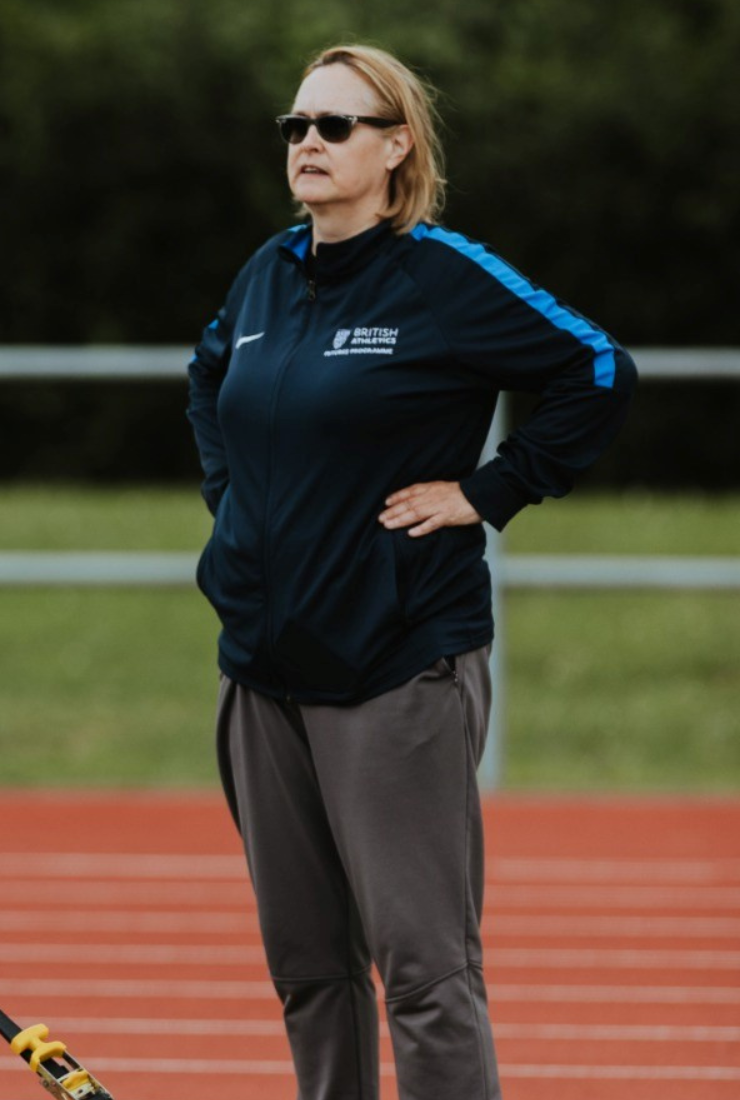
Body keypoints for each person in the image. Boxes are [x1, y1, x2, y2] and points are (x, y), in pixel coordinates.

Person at [186, 44, 634, 1100]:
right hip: (260, 665)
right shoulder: (265, 270)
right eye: (296, 126)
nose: (307, 143)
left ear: (393, 147)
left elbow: (596, 367)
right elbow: (207, 377)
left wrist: (489, 489)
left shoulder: (440, 275)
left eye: (333, 126)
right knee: (306, 968)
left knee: (423, 973)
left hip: (394, 663)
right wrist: (233, 501)